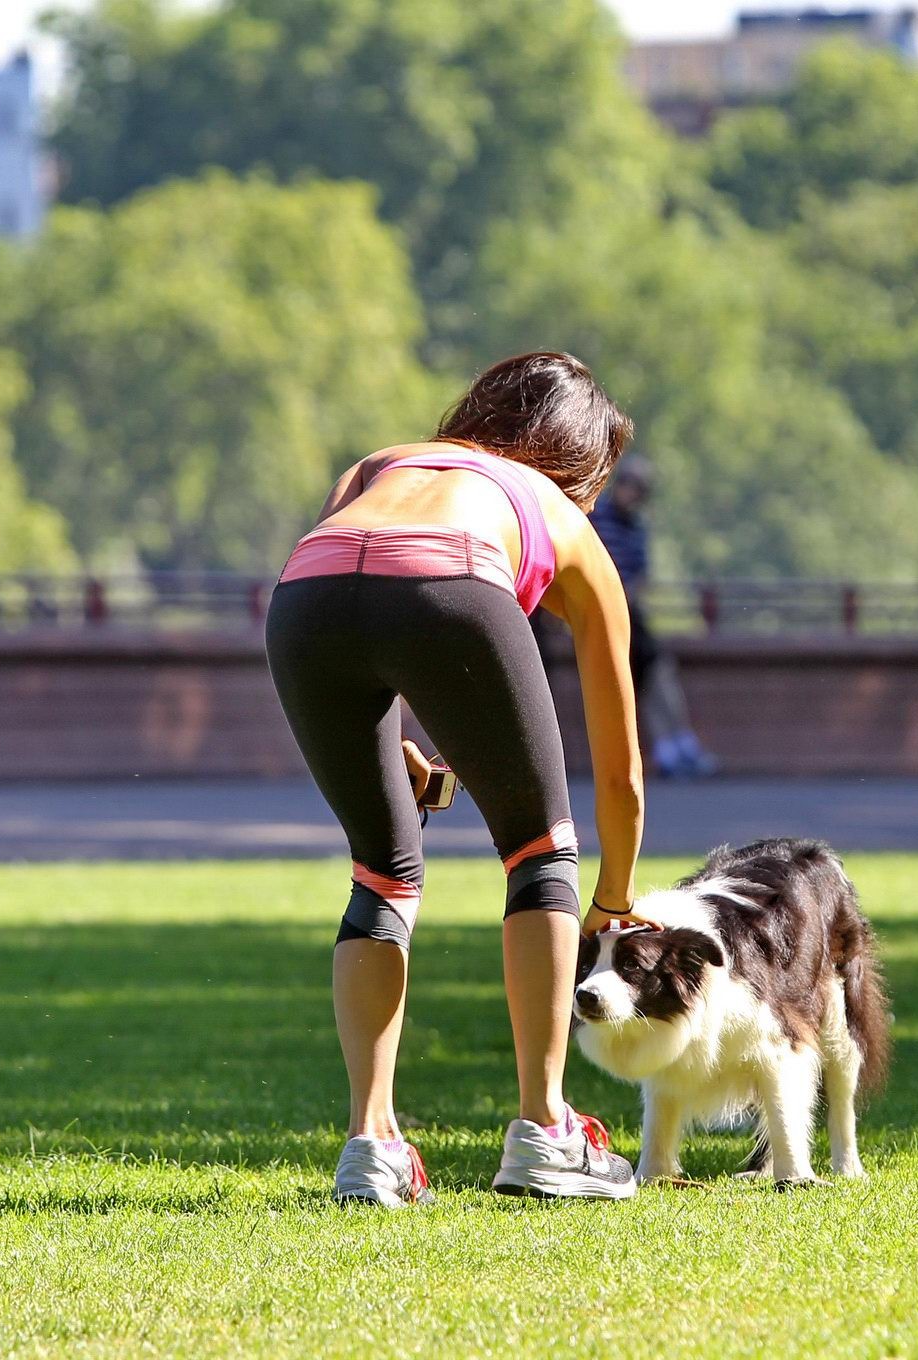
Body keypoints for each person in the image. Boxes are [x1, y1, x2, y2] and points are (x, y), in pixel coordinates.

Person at [264, 352, 646, 1205]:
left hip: (302, 601)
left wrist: (389, 730)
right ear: (578, 461)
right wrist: (612, 900)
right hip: (453, 585)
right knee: (540, 853)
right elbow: (619, 770)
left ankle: (371, 1144)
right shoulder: (557, 511)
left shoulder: (375, 466)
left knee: (382, 869)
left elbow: (358, 578)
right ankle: (545, 1128)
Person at [588, 458, 719, 778]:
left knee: (653, 673)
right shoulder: (597, 517)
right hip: (602, 606)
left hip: (628, 609)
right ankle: (675, 747)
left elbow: (641, 574)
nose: (630, 493)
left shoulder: (635, 527)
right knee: (650, 673)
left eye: (637, 489)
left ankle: (674, 748)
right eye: (627, 485)